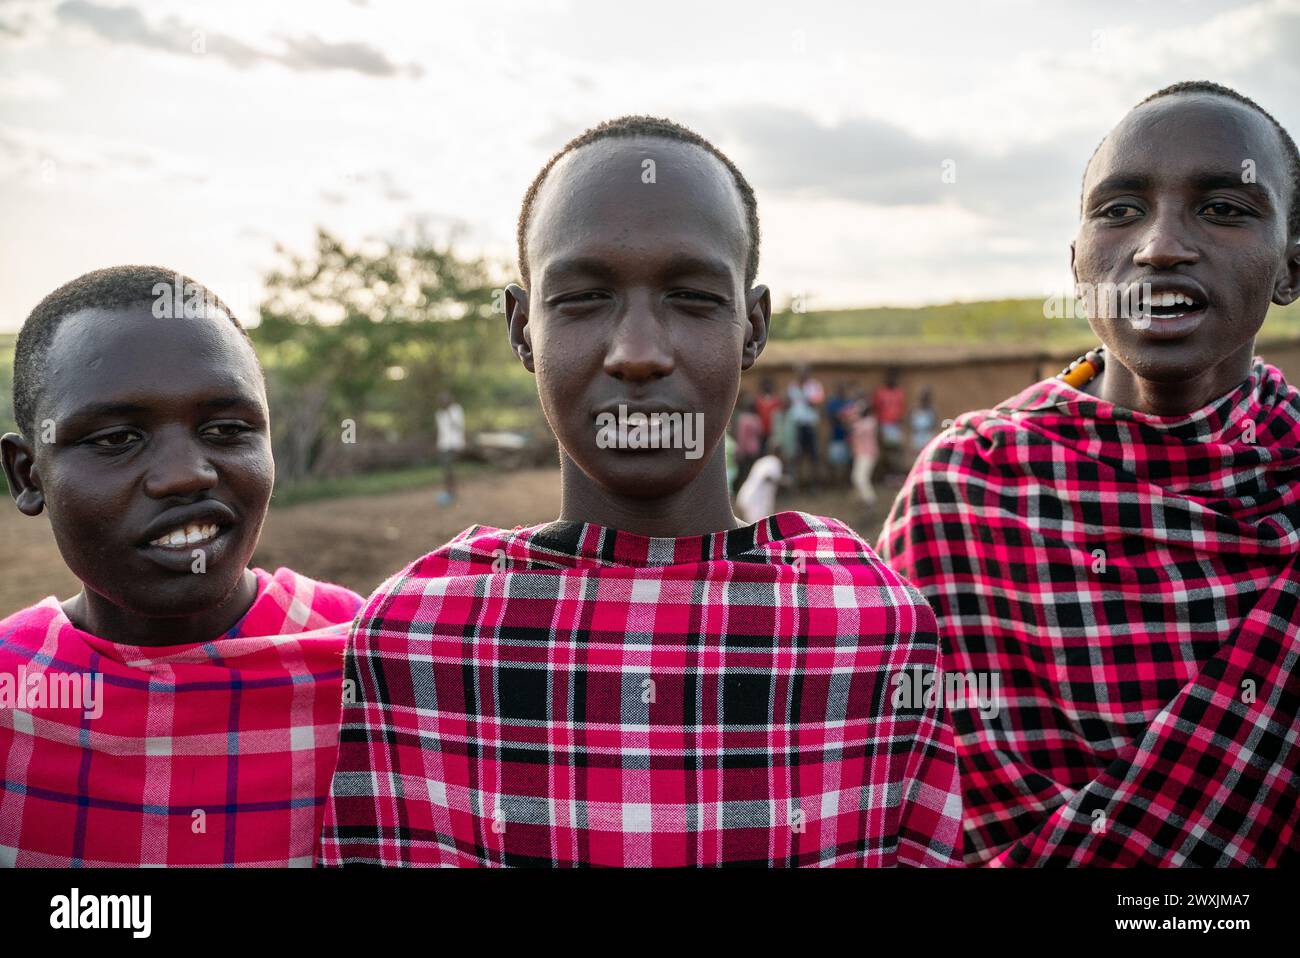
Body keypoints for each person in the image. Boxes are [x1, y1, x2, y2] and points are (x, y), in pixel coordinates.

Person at [319, 115, 962, 868]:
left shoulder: (870, 632)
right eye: (583, 298)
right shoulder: (415, 639)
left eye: (691, 297)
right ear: (522, 329)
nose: (638, 354)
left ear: (752, 328)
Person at [880, 81, 1300, 867]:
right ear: (1078, 261)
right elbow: (933, 811)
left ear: (1292, 269)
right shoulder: (969, 488)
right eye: (1119, 211)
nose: (1160, 246)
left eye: (1224, 208)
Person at [0, 266, 363, 867]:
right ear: (28, 474)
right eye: (117, 439)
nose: (186, 474)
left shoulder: (373, 664)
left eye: (227, 429)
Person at [849, 396, 880, 513]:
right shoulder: (862, 422)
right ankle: (863, 499)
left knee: (860, 478)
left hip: (868, 454)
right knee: (856, 477)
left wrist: (853, 417)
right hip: (861, 453)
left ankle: (870, 500)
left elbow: (855, 429)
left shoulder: (869, 422)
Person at [872, 368, 905, 477]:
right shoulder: (881, 393)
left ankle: (894, 474)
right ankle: (887, 474)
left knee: (896, 450)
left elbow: (901, 410)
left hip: (895, 426)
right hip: (885, 425)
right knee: (887, 451)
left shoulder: (899, 393)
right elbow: (876, 409)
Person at [434, 391, 465, 506]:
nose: (443, 403)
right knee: (446, 469)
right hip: (443, 445)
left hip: (454, 444)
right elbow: (441, 431)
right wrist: (438, 445)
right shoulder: (438, 413)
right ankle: (449, 491)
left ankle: (452, 492)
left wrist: (460, 445)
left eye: (445, 400)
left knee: (450, 469)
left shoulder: (456, 410)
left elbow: (459, 427)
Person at [732, 392, 763, 493]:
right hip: (755, 448)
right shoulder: (756, 418)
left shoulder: (743, 419)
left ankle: (744, 493)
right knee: (753, 473)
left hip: (745, 450)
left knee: (744, 473)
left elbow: (741, 436)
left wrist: (740, 450)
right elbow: (760, 432)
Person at [825, 381, 854, 482]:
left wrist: (841, 417)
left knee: (848, 462)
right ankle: (835, 482)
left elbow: (852, 418)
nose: (841, 390)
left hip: (848, 437)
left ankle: (845, 481)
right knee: (833, 461)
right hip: (836, 436)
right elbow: (831, 417)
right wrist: (842, 417)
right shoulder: (832, 402)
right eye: (839, 388)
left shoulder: (849, 402)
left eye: (843, 388)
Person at [753, 377, 782, 454]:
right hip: (761, 432)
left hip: (773, 431)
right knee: (761, 452)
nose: (767, 387)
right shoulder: (758, 400)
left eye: (769, 385)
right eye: (766, 385)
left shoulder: (776, 400)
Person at [909, 385, 937, 455]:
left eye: (927, 397)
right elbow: (910, 424)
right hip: (916, 439)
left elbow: (934, 424)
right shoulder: (914, 410)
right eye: (924, 396)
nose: (925, 399)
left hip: (928, 438)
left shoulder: (932, 411)